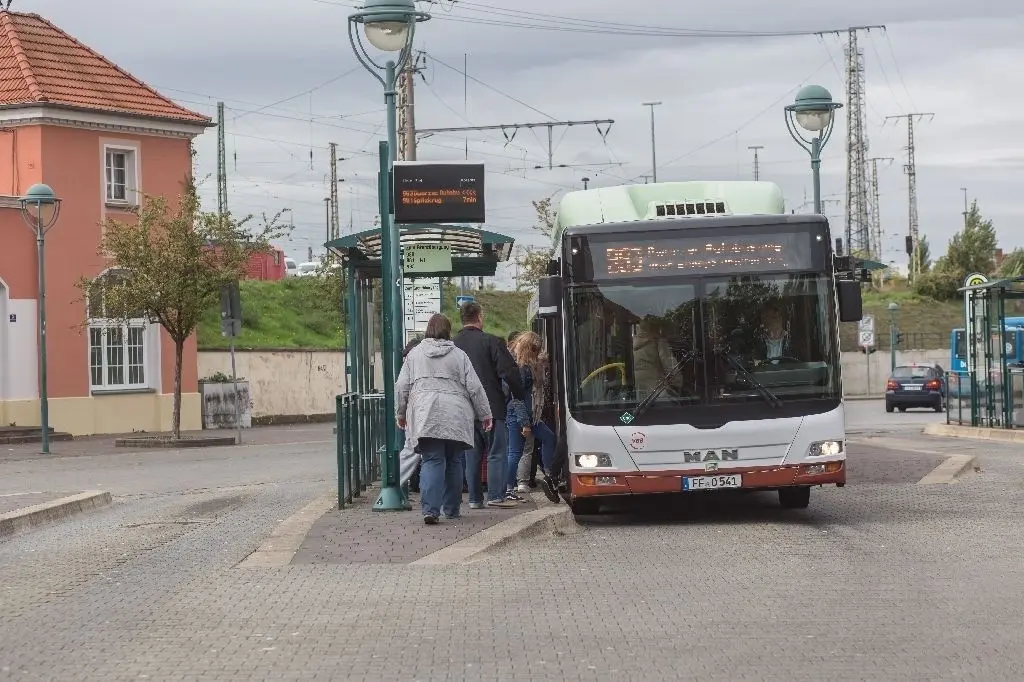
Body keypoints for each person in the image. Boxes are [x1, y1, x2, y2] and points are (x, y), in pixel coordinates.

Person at [395, 314, 493, 524]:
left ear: (428, 329)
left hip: (425, 415)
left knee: (432, 460)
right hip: (456, 415)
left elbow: (401, 387)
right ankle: (452, 509)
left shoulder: (414, 355)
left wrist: (401, 413)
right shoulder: (459, 355)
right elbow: (475, 387)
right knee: (454, 461)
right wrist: (485, 415)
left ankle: (430, 510)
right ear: (448, 330)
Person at [454, 301, 525, 509]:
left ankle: (475, 499)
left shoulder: (454, 344)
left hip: (464, 409)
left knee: (471, 454)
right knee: (496, 452)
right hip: (492, 407)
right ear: (480, 317)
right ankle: (495, 495)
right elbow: (509, 372)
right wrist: (518, 394)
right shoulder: (491, 342)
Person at [505, 331, 561, 503]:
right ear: (531, 350)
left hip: (531, 416)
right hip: (520, 416)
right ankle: (507, 488)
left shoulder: (527, 366)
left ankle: (549, 474)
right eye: (536, 350)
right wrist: (525, 423)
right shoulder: (522, 370)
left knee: (549, 438)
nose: (539, 353)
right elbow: (518, 399)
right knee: (515, 452)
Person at [399, 337, 423, 493]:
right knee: (414, 451)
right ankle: (394, 484)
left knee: (411, 451)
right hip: (420, 413)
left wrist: (401, 414)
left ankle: (394, 483)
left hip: (413, 413)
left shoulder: (409, 363)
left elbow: (401, 389)